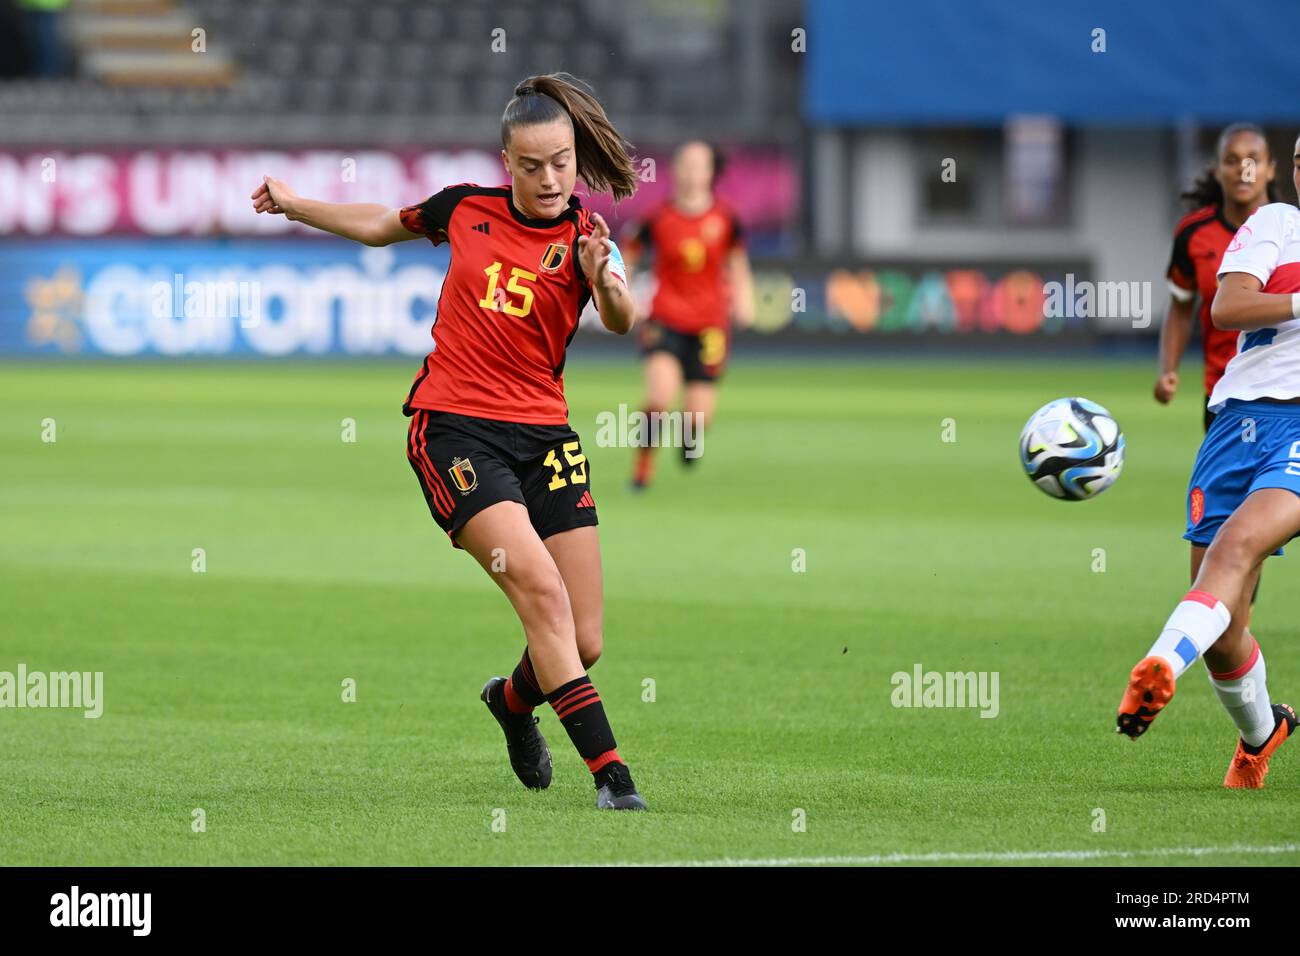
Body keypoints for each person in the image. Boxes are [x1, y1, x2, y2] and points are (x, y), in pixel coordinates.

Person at [250, 73, 648, 810]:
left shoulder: (588, 238)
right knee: (540, 596)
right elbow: (379, 225)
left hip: (547, 440)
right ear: (507, 163)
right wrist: (295, 203)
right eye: (532, 166)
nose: (550, 178)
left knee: (582, 641)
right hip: (456, 430)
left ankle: (512, 701)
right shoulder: (464, 209)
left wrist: (608, 282)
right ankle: (613, 777)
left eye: (561, 161)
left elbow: (622, 316)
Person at [1116, 133, 1300, 791]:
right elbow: (1225, 306)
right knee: (1227, 628)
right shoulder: (1275, 223)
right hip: (1231, 427)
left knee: (1236, 547)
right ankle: (1261, 734)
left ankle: (1159, 663)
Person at [622, 141, 754, 490]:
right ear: (675, 170)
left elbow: (737, 262)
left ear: (711, 173)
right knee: (660, 398)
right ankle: (642, 470)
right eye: (687, 165)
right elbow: (628, 255)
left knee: (698, 415)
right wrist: (628, 295)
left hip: (710, 325)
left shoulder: (726, 218)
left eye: (701, 166)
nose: (693, 173)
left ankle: (690, 438)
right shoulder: (657, 217)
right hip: (665, 319)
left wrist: (745, 298)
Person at [1156, 123, 1279, 431]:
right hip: (1224, 396)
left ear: (1271, 169)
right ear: (1217, 171)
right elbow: (1181, 307)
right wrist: (1168, 370)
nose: (1243, 169)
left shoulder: (1292, 230)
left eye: (1253, 159)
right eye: (1232, 160)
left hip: (1286, 396)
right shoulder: (1194, 234)